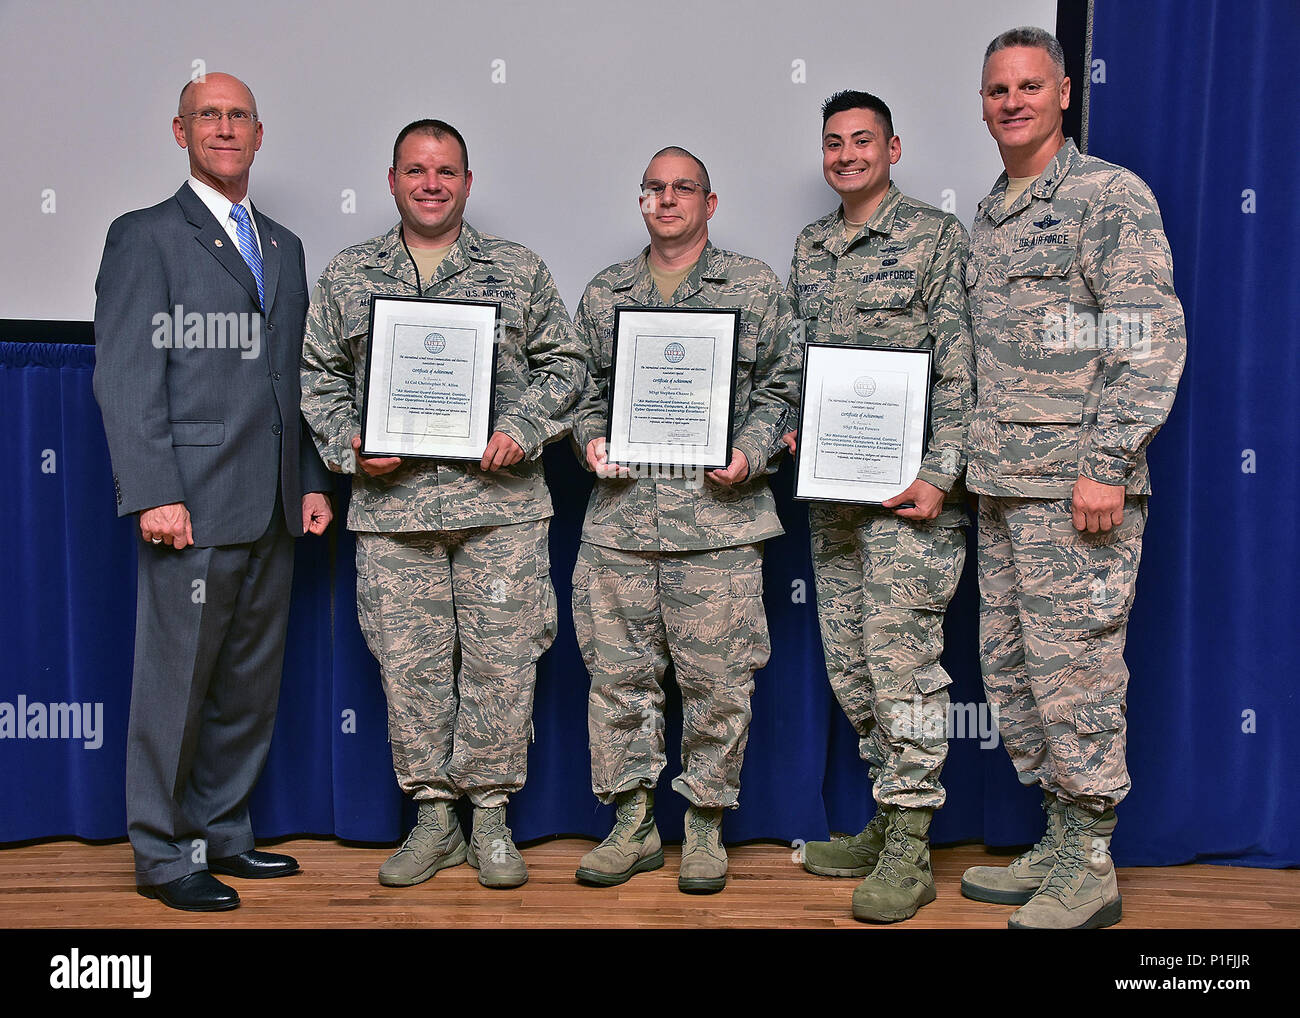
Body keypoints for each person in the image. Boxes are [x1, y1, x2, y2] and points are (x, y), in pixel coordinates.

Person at [300, 119, 585, 891]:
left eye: (447, 171)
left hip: (501, 509)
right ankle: (434, 817)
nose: (432, 183)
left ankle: (490, 815)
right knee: (411, 668)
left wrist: (522, 429)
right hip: (394, 514)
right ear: (392, 180)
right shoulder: (350, 272)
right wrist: (349, 445)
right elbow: (318, 376)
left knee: (501, 663)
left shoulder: (517, 269)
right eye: (417, 170)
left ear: (468, 181)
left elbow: (569, 367)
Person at [959, 27, 1186, 929]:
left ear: (1062, 93)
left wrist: (1106, 465)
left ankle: (1092, 861)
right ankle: (1058, 835)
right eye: (995, 89)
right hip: (1004, 487)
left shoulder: (1109, 196)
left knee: (1078, 673)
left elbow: (1144, 338)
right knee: (1017, 673)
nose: (1010, 101)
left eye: (1027, 86)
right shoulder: (990, 211)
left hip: (1078, 495)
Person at [93, 73, 334, 912]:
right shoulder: (146, 236)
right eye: (209, 116)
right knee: (174, 687)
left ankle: (222, 833)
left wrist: (308, 481)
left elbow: (294, 381)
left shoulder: (286, 245)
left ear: (259, 135)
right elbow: (125, 380)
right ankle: (161, 856)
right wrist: (155, 491)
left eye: (238, 116)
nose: (224, 128)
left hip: (269, 503)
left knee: (245, 685)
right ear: (180, 131)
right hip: (188, 504)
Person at [568, 146, 798, 894]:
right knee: (618, 682)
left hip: (719, 523)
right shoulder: (607, 292)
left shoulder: (754, 286)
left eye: (683, 189)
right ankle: (632, 825)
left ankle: (703, 826)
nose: (668, 201)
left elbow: (784, 388)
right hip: (622, 524)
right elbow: (579, 390)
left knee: (719, 684)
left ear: (710, 201)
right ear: (641, 201)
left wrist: (752, 450)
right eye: (655, 190)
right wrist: (590, 439)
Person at [783, 92, 975, 922]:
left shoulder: (936, 237)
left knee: (903, 668)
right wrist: (794, 428)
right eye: (834, 142)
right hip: (834, 502)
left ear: (894, 147)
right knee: (853, 668)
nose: (848, 154)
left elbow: (964, 369)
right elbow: (800, 363)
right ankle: (883, 819)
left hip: (909, 502)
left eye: (863, 140)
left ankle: (911, 845)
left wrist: (941, 474)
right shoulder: (811, 245)